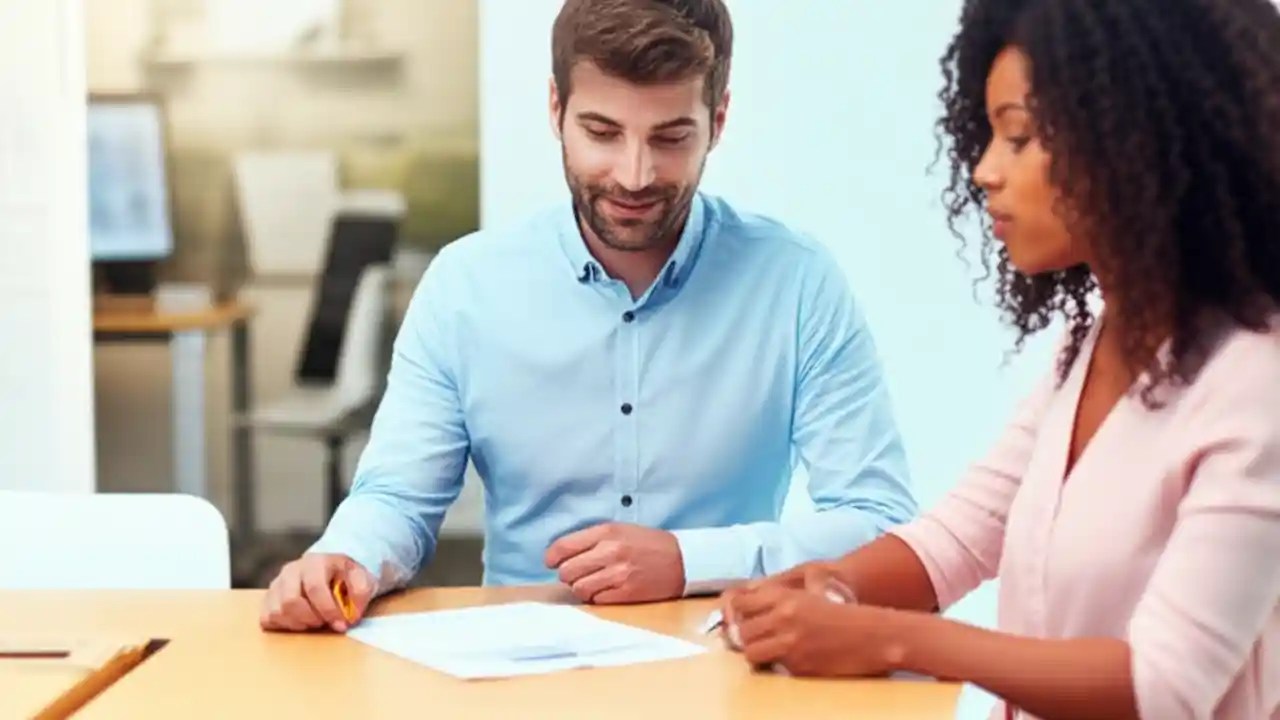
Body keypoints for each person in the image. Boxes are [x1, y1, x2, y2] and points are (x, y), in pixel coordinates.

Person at [260, 0, 917, 633]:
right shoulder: (465, 288)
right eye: (602, 133)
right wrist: (345, 558)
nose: (633, 175)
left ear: (718, 121)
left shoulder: (796, 282)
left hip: (728, 663)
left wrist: (689, 561)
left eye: (671, 138)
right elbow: (398, 500)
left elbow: (879, 521)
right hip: (519, 677)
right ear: (556, 109)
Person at [720, 0, 1280, 718]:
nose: (985, 170)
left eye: (1019, 137)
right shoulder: (1092, 343)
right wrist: (822, 588)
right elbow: (958, 539)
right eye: (989, 136)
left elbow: (1162, 687)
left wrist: (892, 639)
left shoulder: (1255, 382)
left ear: (1134, 139)